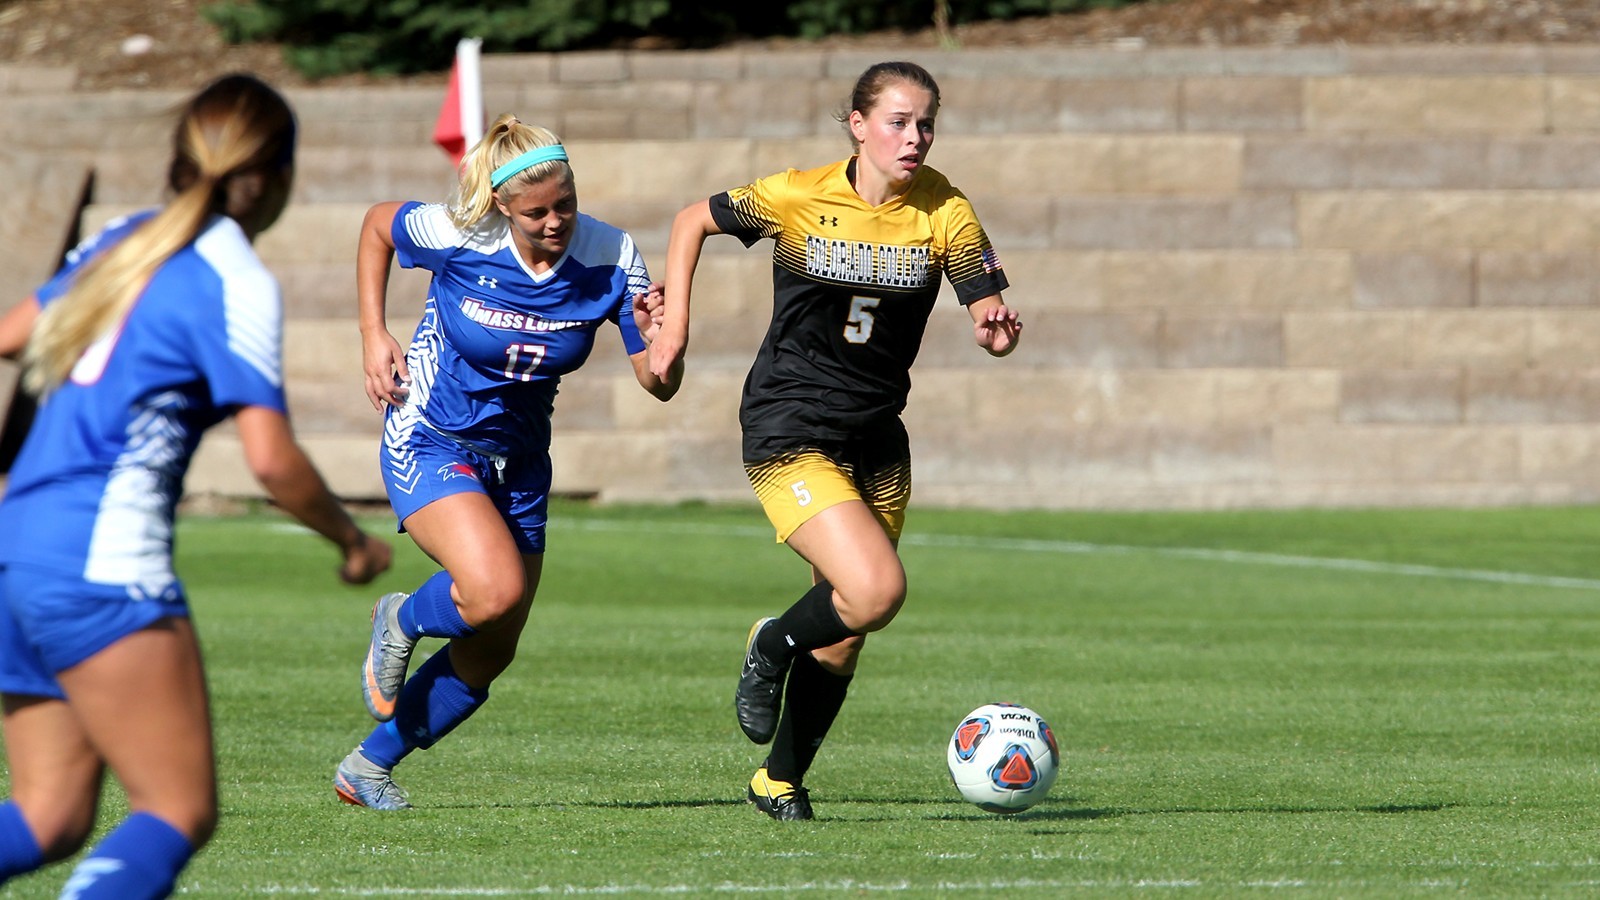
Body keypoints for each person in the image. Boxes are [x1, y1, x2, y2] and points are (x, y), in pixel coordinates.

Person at [0, 73, 393, 898]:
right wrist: (351, 541)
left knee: (49, 816)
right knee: (176, 809)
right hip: (100, 559)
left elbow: (10, 338)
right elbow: (272, 460)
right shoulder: (234, 276)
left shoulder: (122, 239)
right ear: (278, 177)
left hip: (15, 547)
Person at [647, 60, 1022, 821]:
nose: (913, 137)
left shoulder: (945, 209)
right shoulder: (795, 195)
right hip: (789, 425)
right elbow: (693, 220)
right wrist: (676, 328)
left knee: (847, 627)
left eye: (924, 125)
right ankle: (771, 645)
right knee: (876, 590)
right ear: (858, 125)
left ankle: (777, 780)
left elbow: (991, 311)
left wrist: (995, 332)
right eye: (897, 121)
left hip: (876, 436)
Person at [334, 114, 682, 811]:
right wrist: (374, 332)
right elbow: (378, 225)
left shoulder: (612, 255)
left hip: (520, 461)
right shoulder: (459, 233)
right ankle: (401, 619)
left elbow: (659, 382)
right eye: (536, 212)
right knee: (489, 591)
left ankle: (367, 769)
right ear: (500, 205)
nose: (555, 221)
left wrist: (658, 330)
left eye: (565, 204)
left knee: (494, 644)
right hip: (432, 436)